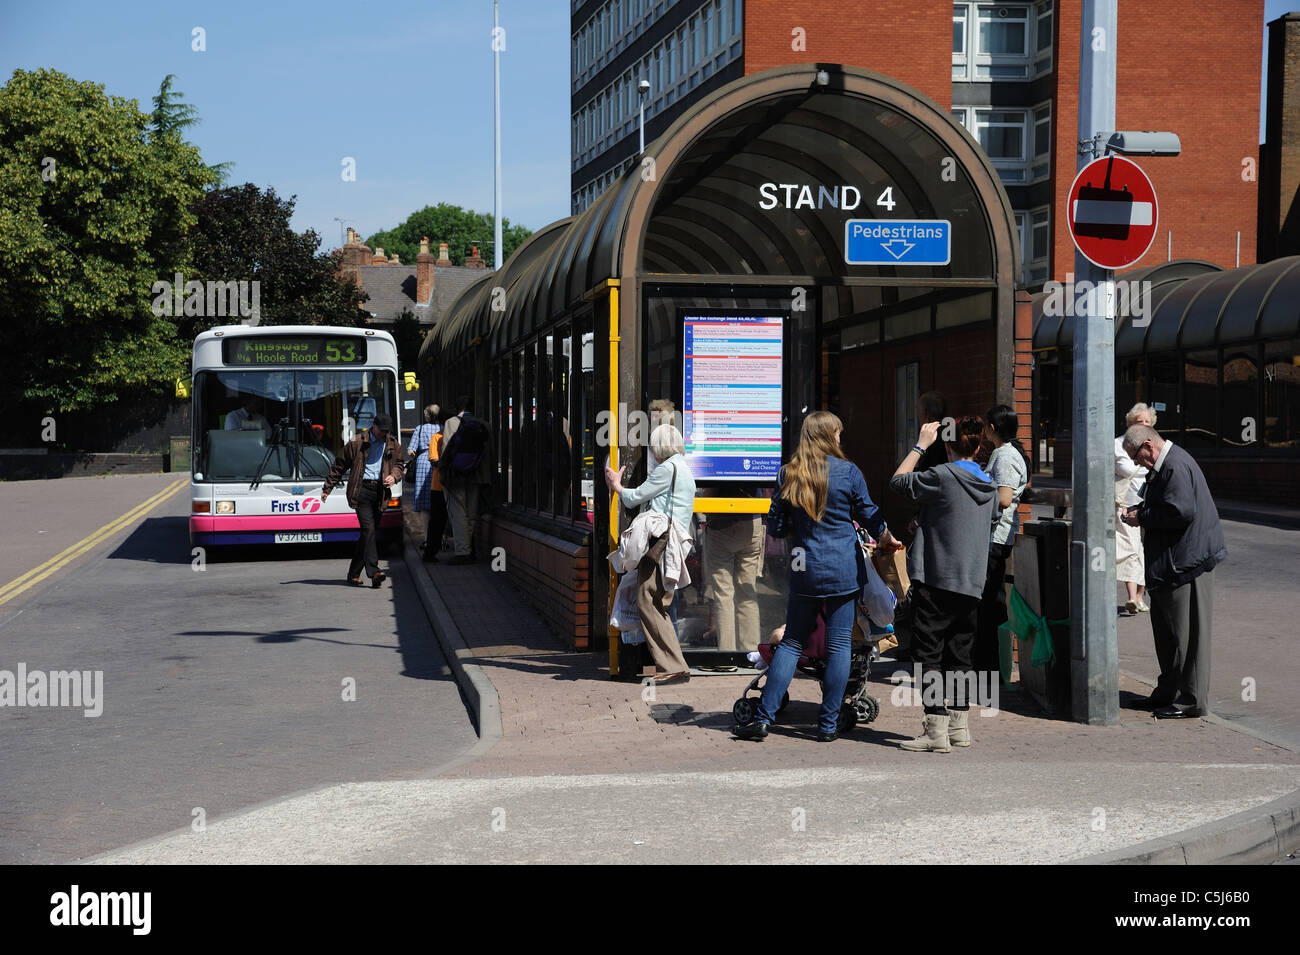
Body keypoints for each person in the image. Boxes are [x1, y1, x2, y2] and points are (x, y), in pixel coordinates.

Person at [735, 411, 897, 742]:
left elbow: (777, 526)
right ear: (827, 436)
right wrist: (886, 538)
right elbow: (869, 515)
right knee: (839, 645)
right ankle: (826, 725)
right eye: (837, 434)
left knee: (793, 641)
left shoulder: (788, 474)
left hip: (803, 566)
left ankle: (764, 718)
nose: (840, 439)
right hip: (842, 568)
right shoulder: (849, 472)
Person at [890, 415, 996, 753]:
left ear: (947, 445)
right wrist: (927, 521)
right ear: (979, 446)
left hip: (936, 579)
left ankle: (934, 728)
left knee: (928, 655)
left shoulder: (941, 476)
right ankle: (959, 728)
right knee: (961, 655)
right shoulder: (991, 486)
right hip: (971, 582)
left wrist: (921, 444)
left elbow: (898, 481)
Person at [1121, 424, 1227, 718]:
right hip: (1174, 564)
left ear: (1148, 446)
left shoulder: (1175, 465)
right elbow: (1170, 505)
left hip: (1187, 565)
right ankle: (1168, 693)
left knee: (1187, 637)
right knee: (1170, 635)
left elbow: (1180, 511)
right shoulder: (1167, 464)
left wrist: (1141, 515)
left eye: (1137, 457)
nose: (1136, 464)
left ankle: (1190, 701)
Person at [605, 424, 697, 685]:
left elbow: (634, 497)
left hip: (661, 544)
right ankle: (674, 665)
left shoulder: (667, 469)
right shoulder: (683, 467)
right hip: (673, 544)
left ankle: (673, 666)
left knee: (647, 599)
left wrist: (617, 486)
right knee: (657, 602)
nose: (653, 452)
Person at [974, 405, 1029, 678]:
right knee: (988, 597)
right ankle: (987, 663)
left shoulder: (1006, 456)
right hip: (994, 534)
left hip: (997, 534)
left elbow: (1005, 498)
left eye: (986, 426)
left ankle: (990, 665)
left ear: (992, 428)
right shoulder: (1004, 452)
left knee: (990, 599)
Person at [321, 413, 404, 588]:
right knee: (369, 529)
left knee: (368, 534)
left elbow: (399, 464)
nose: (384, 434)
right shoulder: (356, 442)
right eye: (382, 430)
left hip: (380, 492)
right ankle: (374, 571)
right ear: (373, 426)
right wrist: (327, 488)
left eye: (386, 431)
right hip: (361, 491)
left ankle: (353, 574)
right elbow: (339, 465)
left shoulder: (392, 443)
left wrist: (394, 476)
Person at [704, 500, 764, 653]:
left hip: (721, 521)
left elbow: (711, 494)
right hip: (752, 520)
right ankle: (750, 653)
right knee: (747, 592)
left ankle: (726, 656)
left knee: (724, 594)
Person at [440, 395, 493, 565]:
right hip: (477, 476)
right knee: (471, 513)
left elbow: (446, 450)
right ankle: (468, 548)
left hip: (456, 476)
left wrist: (443, 472)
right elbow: (489, 453)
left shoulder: (451, 423)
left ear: (457, 408)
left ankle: (462, 552)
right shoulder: (484, 424)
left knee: (458, 514)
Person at [1116, 403, 1156, 614]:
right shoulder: (1117, 445)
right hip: (1126, 505)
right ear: (1131, 423)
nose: (1143, 425)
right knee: (1133, 550)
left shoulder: (1153, 446)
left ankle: (1140, 596)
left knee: (1147, 551)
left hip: (1149, 503)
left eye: (1147, 422)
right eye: (1139, 421)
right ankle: (1133, 597)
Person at [406, 405, 445, 561]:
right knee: (439, 502)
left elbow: (410, 450)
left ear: (428, 416)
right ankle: (440, 539)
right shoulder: (443, 428)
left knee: (424, 504)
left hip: (423, 462)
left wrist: (413, 452)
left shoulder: (420, 428)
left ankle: (427, 539)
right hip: (439, 464)